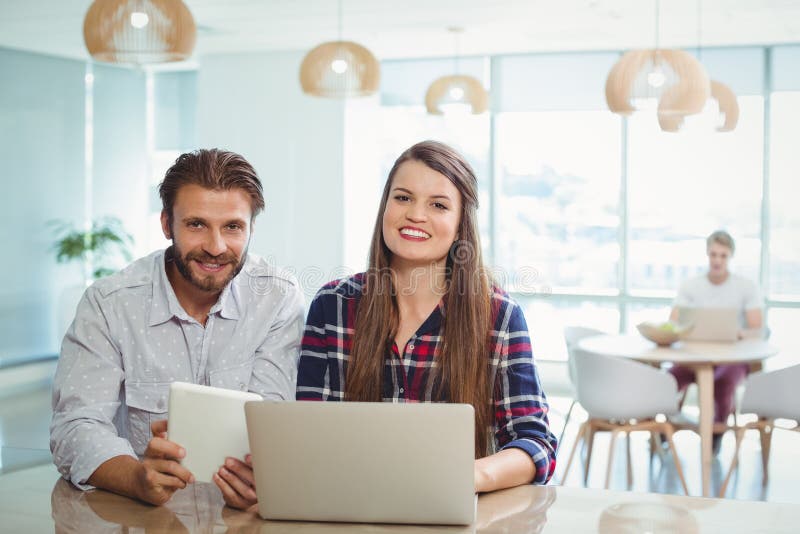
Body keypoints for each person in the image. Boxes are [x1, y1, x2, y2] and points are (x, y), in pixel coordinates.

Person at [297, 140, 557, 492]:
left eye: (438, 205)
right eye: (403, 197)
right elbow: (308, 433)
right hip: (352, 510)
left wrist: (465, 476)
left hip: (462, 514)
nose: (416, 215)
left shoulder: (499, 316)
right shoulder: (333, 305)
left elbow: (535, 445)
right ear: (384, 206)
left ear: (460, 223)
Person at [50, 149, 304, 508]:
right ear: (167, 224)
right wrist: (135, 478)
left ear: (251, 228)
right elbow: (75, 428)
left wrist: (262, 472)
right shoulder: (109, 304)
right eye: (196, 224)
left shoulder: (277, 297)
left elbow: (274, 422)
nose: (215, 247)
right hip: (142, 519)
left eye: (232, 226)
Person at [668, 230, 764, 453]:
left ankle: (716, 432)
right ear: (707, 254)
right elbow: (673, 322)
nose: (717, 260)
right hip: (694, 357)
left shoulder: (745, 287)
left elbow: (756, 328)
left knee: (722, 383)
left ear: (730, 257)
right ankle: (667, 427)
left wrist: (736, 333)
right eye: (713, 254)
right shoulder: (691, 286)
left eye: (723, 255)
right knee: (669, 380)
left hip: (733, 359)